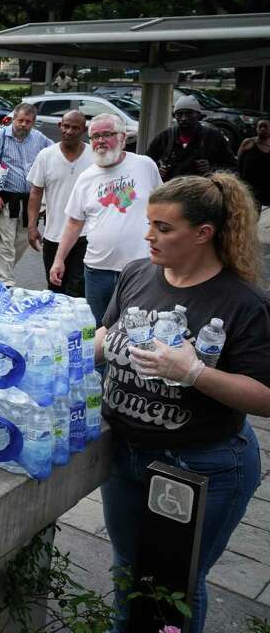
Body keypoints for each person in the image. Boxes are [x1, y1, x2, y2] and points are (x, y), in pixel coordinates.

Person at [95, 173, 270, 633]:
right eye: (148, 223)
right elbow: (106, 332)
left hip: (199, 466)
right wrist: (67, 343)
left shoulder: (243, 302)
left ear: (204, 233)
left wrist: (194, 372)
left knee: (175, 585)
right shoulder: (137, 273)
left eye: (163, 228)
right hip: (125, 456)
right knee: (127, 570)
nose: (148, 235)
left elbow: (265, 397)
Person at [51, 113, 163, 324]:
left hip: (140, 270)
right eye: (95, 136)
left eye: (107, 134)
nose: (100, 140)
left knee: (136, 328)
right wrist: (59, 259)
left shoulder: (145, 165)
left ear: (122, 137)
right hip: (97, 270)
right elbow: (74, 222)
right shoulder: (86, 178)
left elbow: (163, 208)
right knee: (99, 328)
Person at [0, 102, 52, 286]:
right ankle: (6, 283)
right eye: (20, 120)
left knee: (24, 239)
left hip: (30, 199)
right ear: (13, 119)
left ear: (33, 123)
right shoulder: (0, 136)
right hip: (5, 197)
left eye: (28, 122)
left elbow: (56, 153)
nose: (23, 125)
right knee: (6, 241)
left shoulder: (39, 138)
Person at [26, 110, 88, 296]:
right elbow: (36, 192)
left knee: (77, 289)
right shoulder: (46, 156)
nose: (69, 131)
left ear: (83, 130)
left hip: (86, 236)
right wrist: (31, 226)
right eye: (66, 126)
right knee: (55, 288)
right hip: (54, 235)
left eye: (75, 128)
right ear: (59, 126)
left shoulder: (94, 156)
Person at [146, 95, 235, 180]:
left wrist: (212, 168)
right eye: (179, 114)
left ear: (198, 115)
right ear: (175, 116)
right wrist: (157, 169)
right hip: (170, 189)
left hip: (202, 190)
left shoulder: (213, 137)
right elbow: (146, 162)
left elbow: (232, 166)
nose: (184, 118)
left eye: (189, 114)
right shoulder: (165, 137)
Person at [237, 117, 270, 210]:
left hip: (265, 187)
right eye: (260, 127)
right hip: (248, 186)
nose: (262, 129)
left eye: (266, 127)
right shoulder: (248, 143)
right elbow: (238, 162)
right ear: (256, 129)